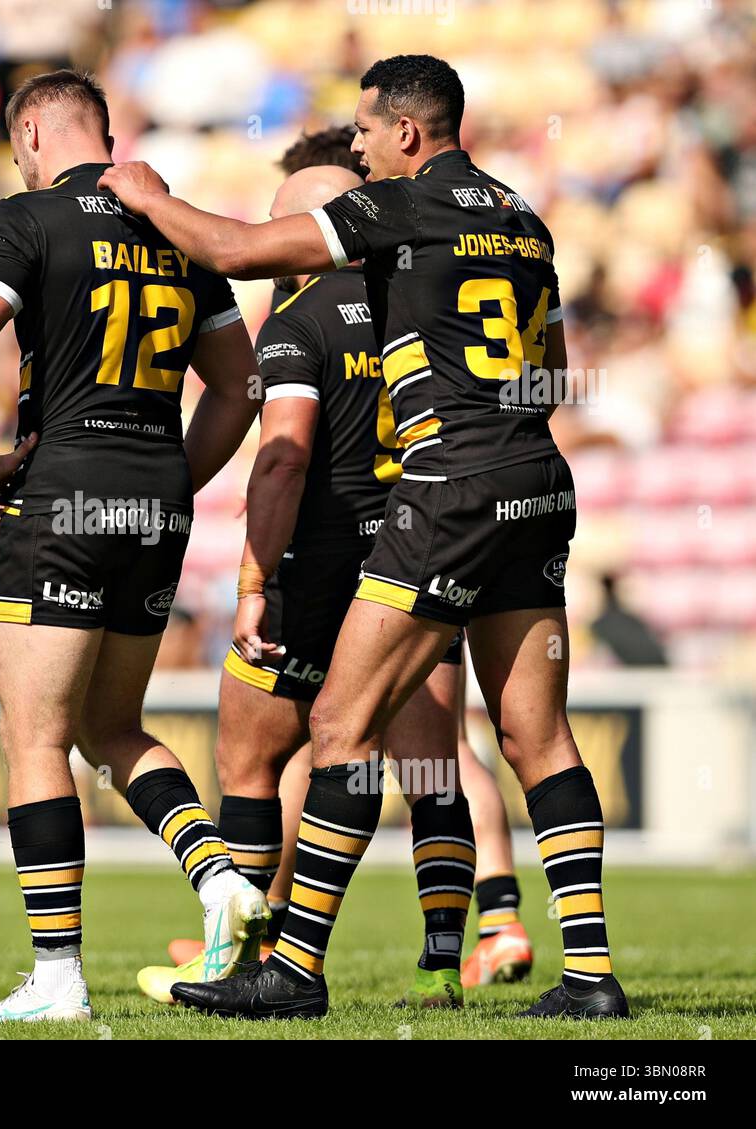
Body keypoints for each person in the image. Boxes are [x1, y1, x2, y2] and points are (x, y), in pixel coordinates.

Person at [101, 54, 629, 1020]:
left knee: (341, 726)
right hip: (538, 480)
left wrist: (141, 193)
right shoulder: (525, 218)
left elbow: (237, 250)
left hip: (450, 490)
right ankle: (591, 977)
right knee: (537, 736)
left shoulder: (404, 204)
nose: (356, 143)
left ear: (410, 134)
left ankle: (293, 969)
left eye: (365, 129)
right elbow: (549, 368)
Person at [0, 69, 267, 1023]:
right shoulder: (171, 219)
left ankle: (57, 977)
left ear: (32, 130)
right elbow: (239, 384)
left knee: (35, 738)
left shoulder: (26, 217)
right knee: (112, 728)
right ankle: (220, 881)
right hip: (155, 501)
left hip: (62, 489)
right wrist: (172, 477)